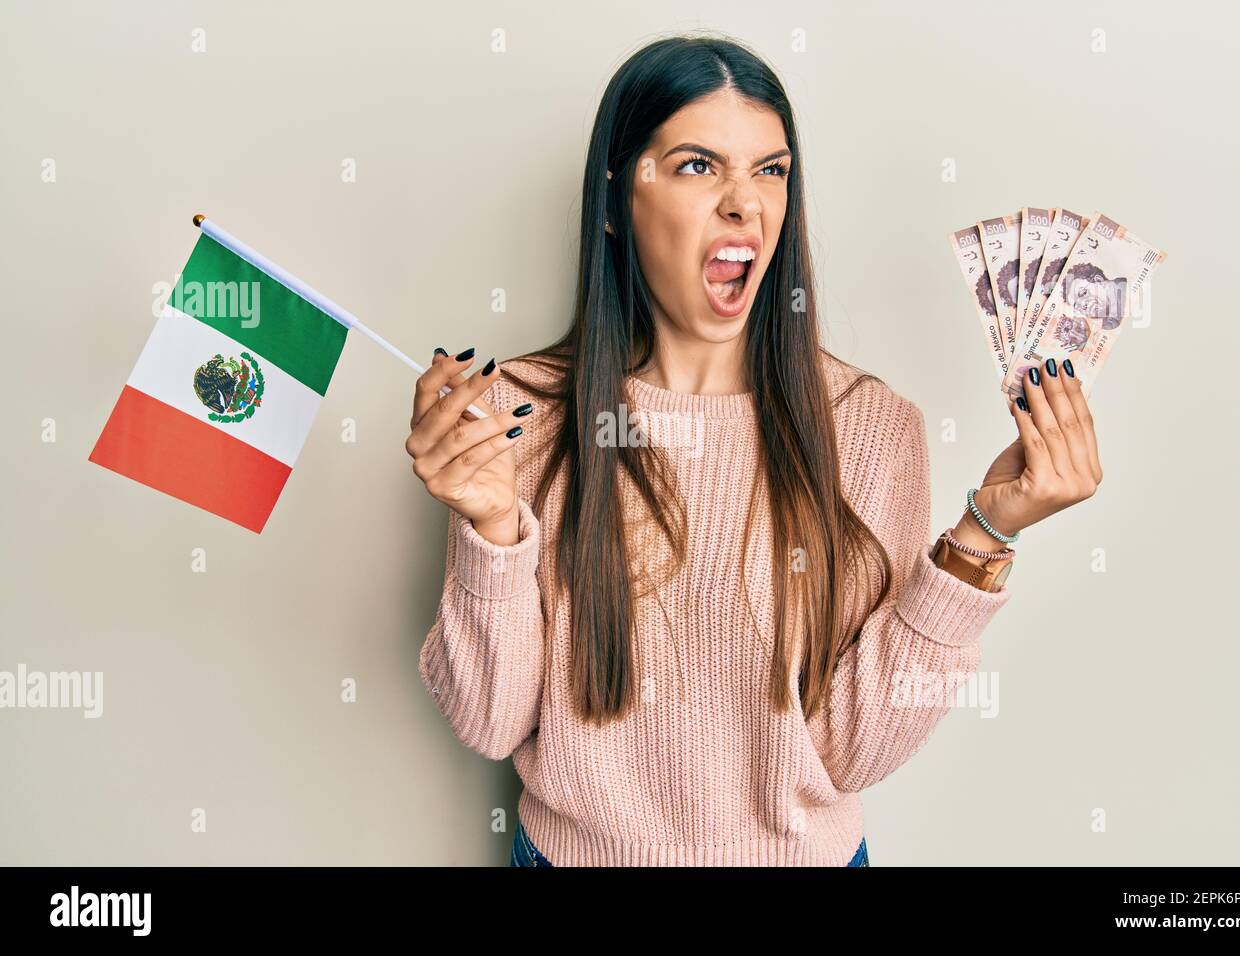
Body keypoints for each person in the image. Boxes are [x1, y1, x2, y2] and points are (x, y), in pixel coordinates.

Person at [406, 34, 1102, 867]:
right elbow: (489, 723)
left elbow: (853, 754)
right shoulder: (519, 414)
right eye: (699, 166)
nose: (745, 204)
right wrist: (491, 530)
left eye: (771, 170)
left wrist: (984, 539)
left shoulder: (872, 429)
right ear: (615, 199)